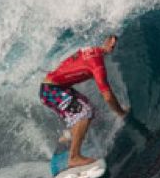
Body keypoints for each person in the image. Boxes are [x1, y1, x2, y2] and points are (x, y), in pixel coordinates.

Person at [39, 35, 128, 169]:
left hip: (55, 88)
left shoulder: (91, 51)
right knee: (84, 112)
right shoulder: (97, 64)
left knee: (87, 107)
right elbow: (108, 96)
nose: (114, 46)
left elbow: (74, 66)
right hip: (51, 90)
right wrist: (121, 112)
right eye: (113, 42)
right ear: (109, 42)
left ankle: (68, 137)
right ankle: (74, 157)